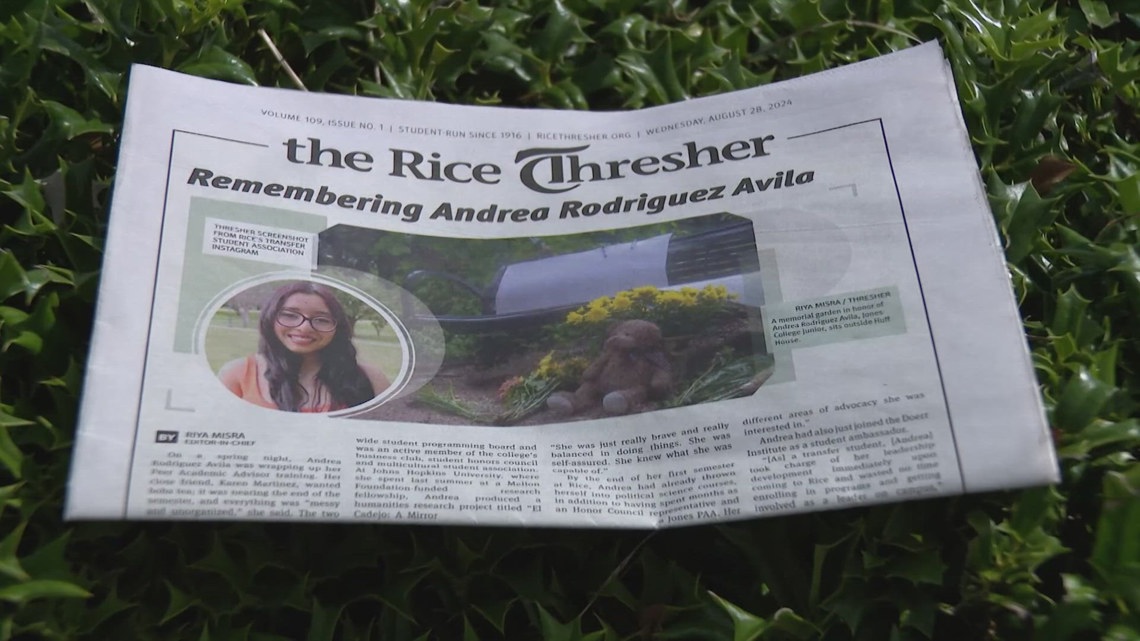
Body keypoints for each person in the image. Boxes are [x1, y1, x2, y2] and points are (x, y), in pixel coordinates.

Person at [218, 281, 390, 412]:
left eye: (321, 319)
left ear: (338, 328)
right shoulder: (237, 374)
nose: (304, 328)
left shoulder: (371, 379)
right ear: (270, 318)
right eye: (290, 315)